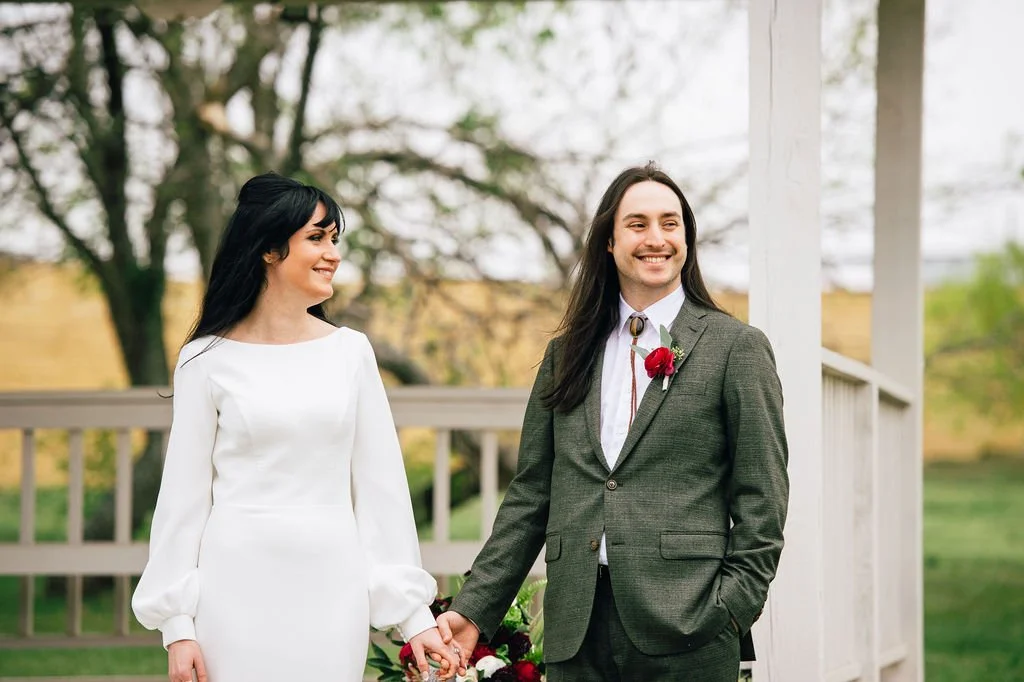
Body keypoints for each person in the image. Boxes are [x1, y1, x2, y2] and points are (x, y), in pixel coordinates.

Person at [436, 162, 789, 681]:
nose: (656, 239)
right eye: (637, 224)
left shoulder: (736, 348)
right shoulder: (567, 354)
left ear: (686, 238)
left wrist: (732, 608)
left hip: (690, 626)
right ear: (609, 240)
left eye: (670, 224)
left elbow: (763, 497)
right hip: (576, 631)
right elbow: (532, 494)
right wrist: (473, 610)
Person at [132, 173, 459, 682]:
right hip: (232, 592)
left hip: (332, 590)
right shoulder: (204, 360)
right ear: (269, 249)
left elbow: (381, 492)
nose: (333, 254)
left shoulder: (350, 353)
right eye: (316, 237)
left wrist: (414, 617)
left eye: (334, 239)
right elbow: (182, 501)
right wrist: (177, 626)